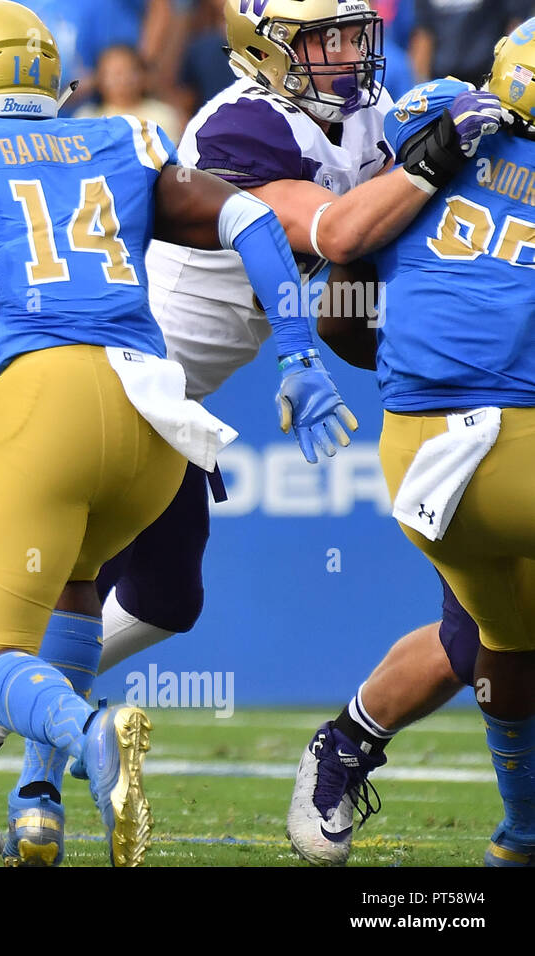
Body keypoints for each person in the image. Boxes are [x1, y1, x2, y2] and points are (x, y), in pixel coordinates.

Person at [0, 0, 504, 866]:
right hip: (123, 374)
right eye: (322, 38)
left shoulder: (365, 112)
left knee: (161, 600)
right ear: (265, 48)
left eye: (352, 34)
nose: (346, 54)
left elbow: (382, 239)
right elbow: (334, 231)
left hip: (169, 397)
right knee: (22, 622)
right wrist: (432, 161)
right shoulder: (241, 124)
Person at [293, 24, 535, 867]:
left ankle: (513, 835)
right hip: (479, 437)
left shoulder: (438, 121)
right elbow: (346, 271)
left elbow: (346, 303)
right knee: (486, 636)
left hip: (428, 443)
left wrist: (406, 368)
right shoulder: (437, 127)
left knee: (491, 638)